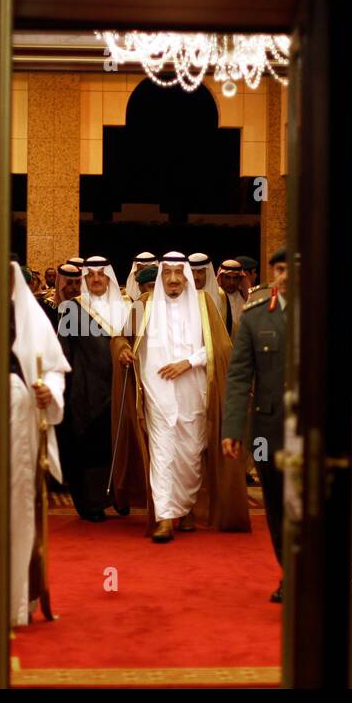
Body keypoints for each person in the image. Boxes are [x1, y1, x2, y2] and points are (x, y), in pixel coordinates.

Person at [110, 253, 249, 542]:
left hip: (193, 391)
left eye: (178, 273)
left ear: (186, 275)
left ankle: (185, 509)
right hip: (155, 391)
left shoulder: (204, 304)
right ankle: (164, 518)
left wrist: (188, 362)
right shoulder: (144, 305)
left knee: (190, 454)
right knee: (162, 452)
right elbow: (121, 337)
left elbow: (221, 347)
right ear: (160, 276)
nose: (173, 279)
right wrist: (123, 350)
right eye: (167, 273)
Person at [222, 249, 289, 602]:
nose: (287, 275)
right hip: (270, 428)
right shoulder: (256, 316)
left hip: (316, 432)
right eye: (280, 269)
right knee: (277, 505)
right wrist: (232, 429)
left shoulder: (332, 313)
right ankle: (289, 574)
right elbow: (238, 377)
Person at [8, 261, 70, 626]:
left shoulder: (30, 315)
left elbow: (52, 367)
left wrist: (51, 392)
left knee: (18, 503)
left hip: (21, 415)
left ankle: (15, 602)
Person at [53, 255, 127, 521]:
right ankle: (91, 502)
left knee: (116, 444)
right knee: (89, 447)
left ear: (109, 277)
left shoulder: (125, 308)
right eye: (91, 275)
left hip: (119, 388)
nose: (96, 279)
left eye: (101, 275)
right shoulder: (73, 309)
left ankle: (118, 495)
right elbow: (63, 352)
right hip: (85, 390)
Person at [188, 252, 225, 324]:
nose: (195, 277)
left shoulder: (221, 296)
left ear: (208, 273)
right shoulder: (181, 297)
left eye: (200, 272)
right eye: (191, 272)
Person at [217, 258, 248, 337]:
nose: (232, 282)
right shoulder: (216, 297)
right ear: (221, 277)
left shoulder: (245, 297)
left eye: (235, 278)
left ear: (240, 279)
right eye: (227, 277)